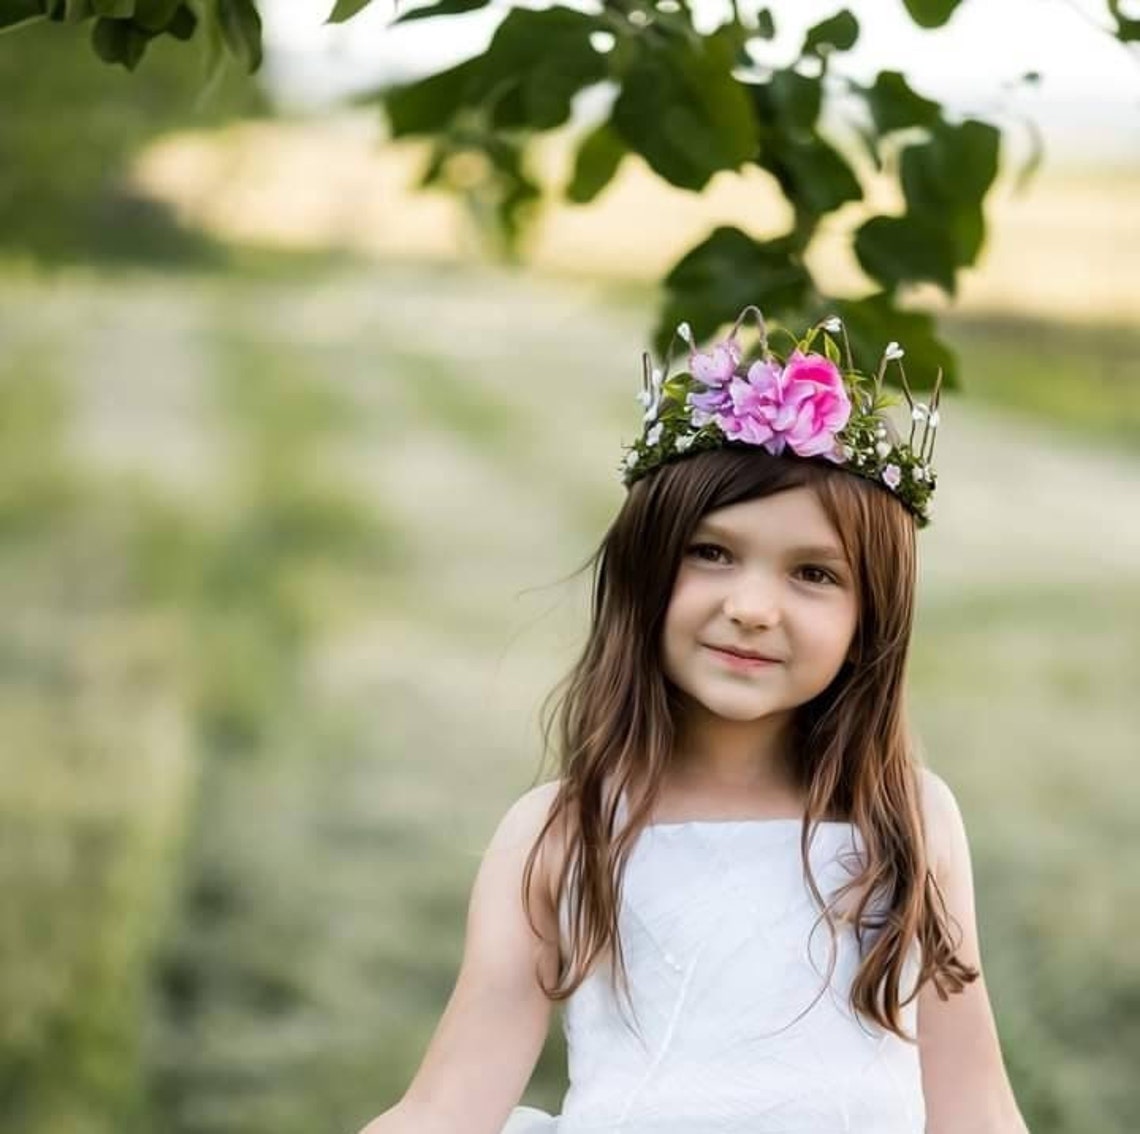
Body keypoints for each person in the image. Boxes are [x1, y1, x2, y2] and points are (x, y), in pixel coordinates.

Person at [356, 307, 1031, 1134]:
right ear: (646, 573)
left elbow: (973, 1106)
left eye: (813, 573)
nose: (751, 608)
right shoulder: (562, 835)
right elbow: (447, 1106)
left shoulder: (909, 820)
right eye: (711, 553)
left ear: (871, 622)